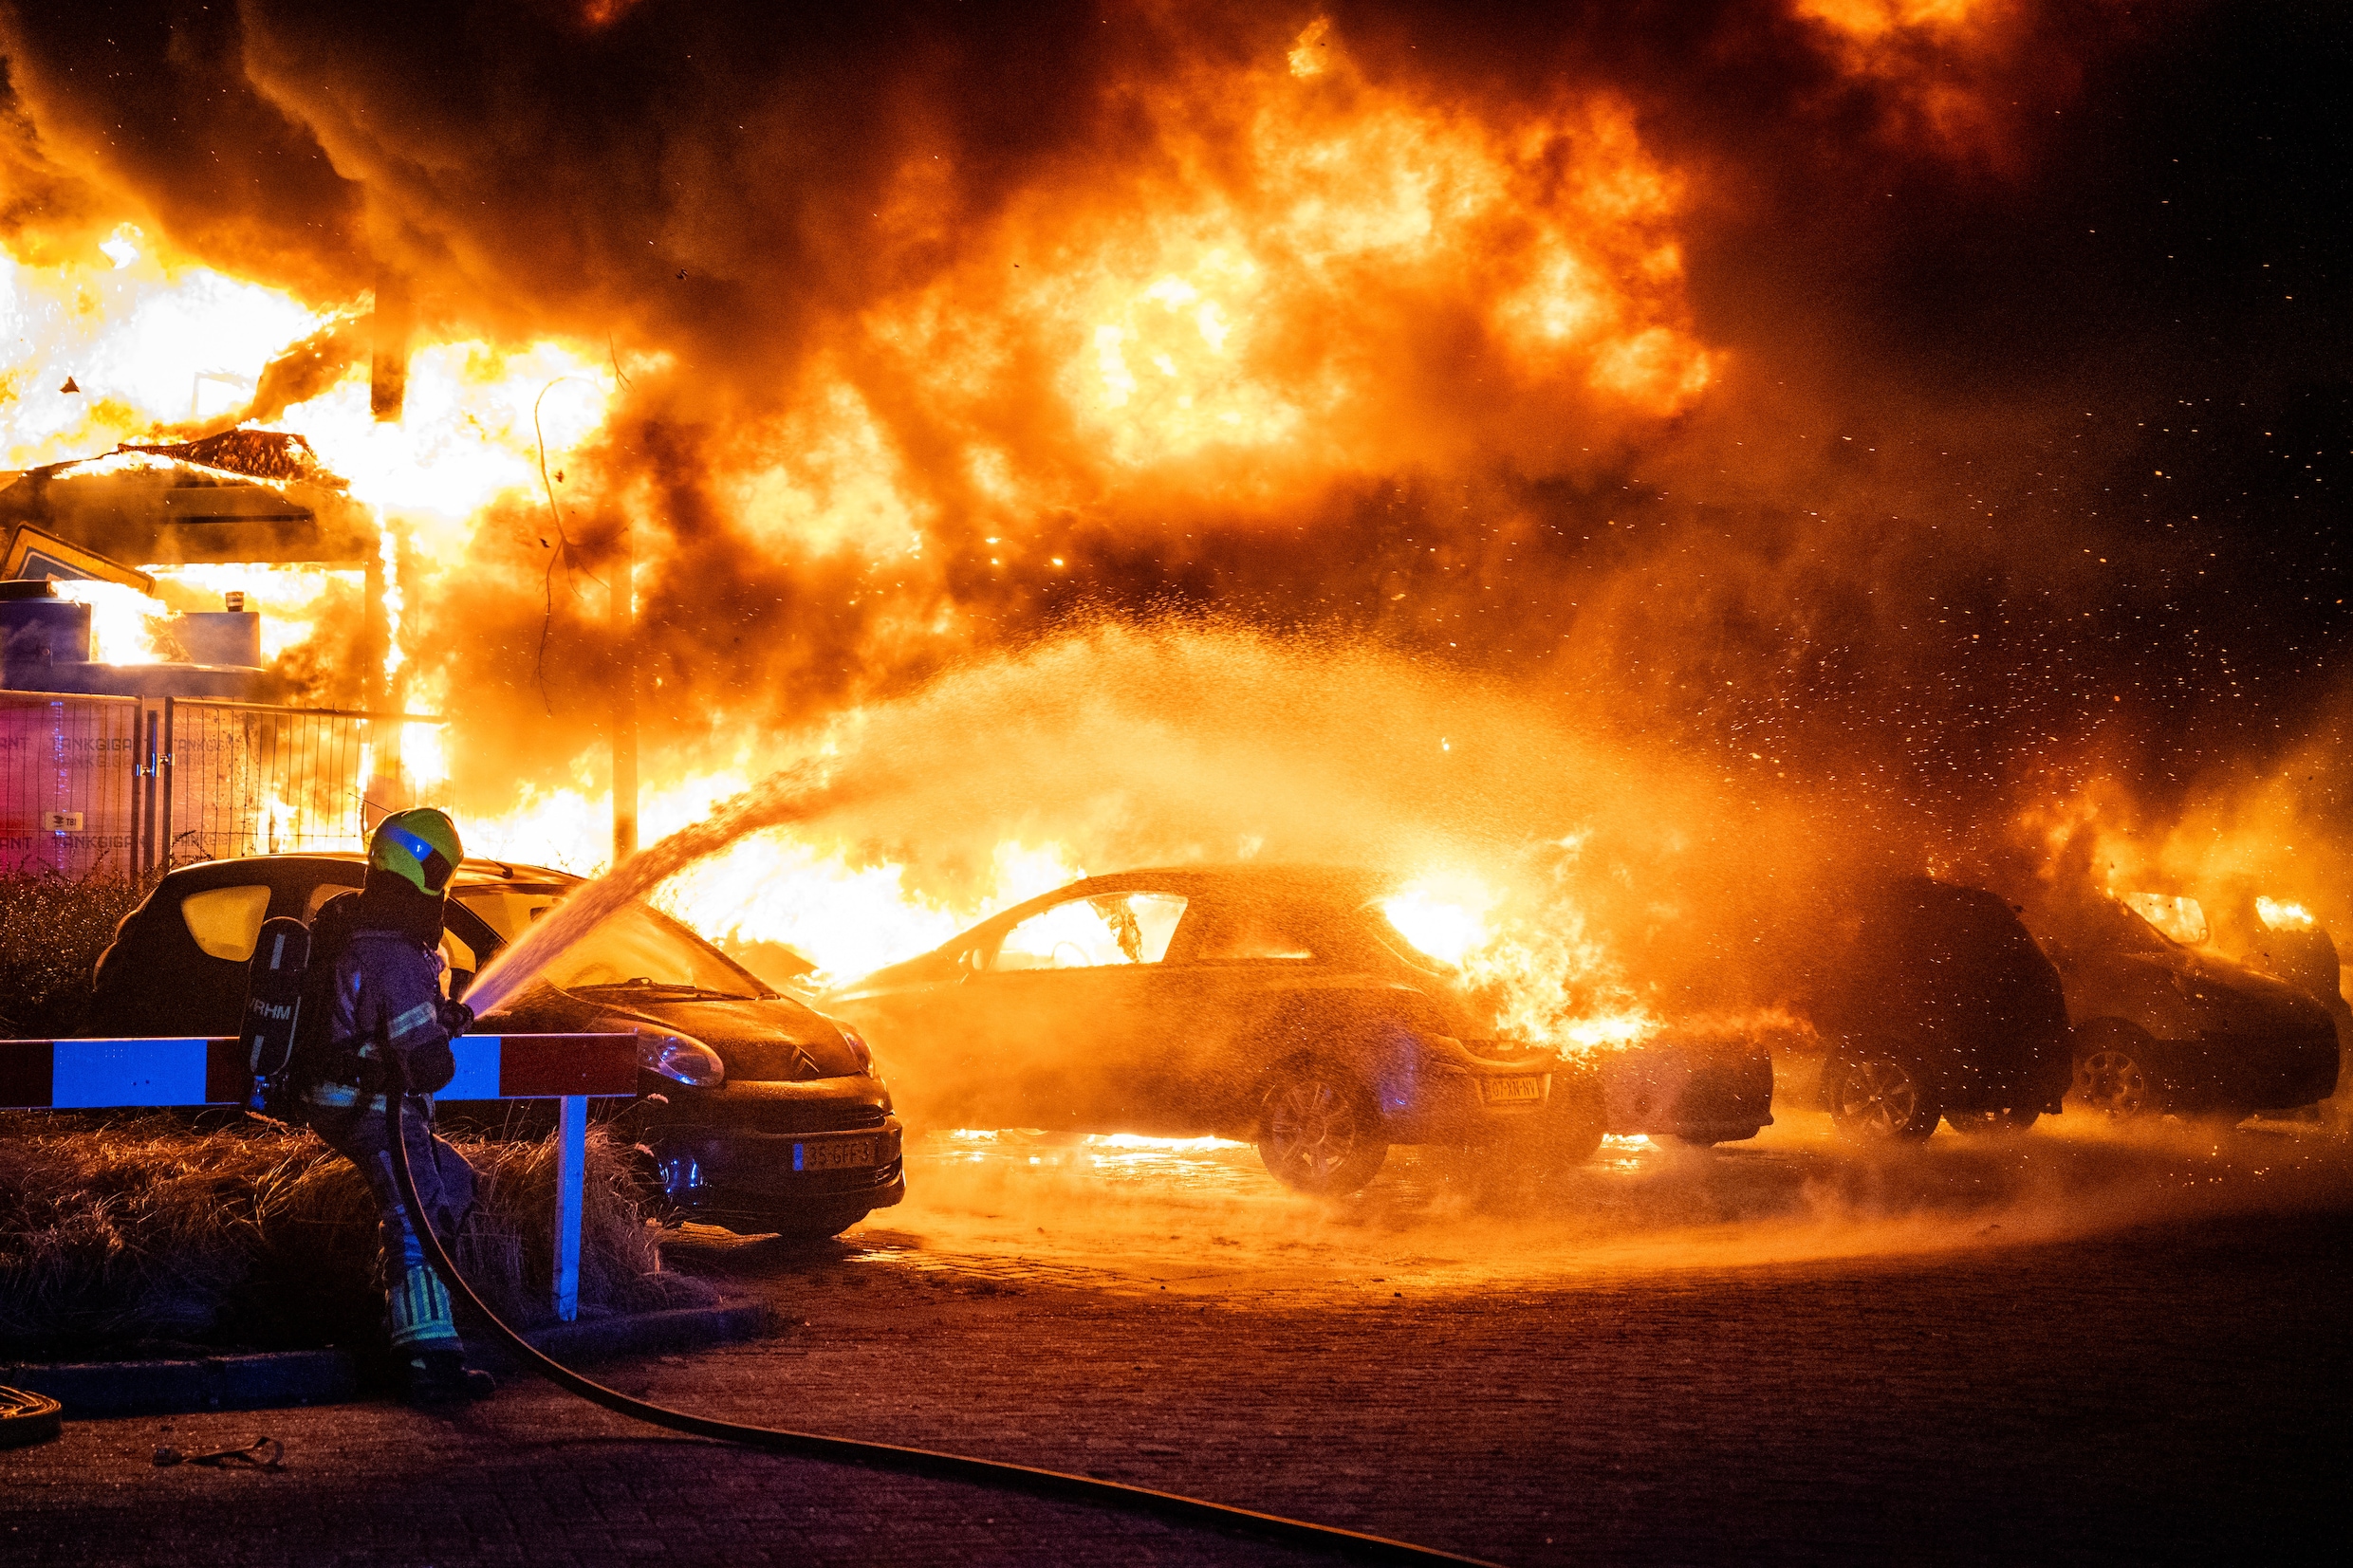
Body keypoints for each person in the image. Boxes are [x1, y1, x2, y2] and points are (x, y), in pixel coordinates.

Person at [304, 807, 491, 1407]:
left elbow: (387, 1022)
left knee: (456, 1181)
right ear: (426, 869)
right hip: (367, 1104)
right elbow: (428, 1064)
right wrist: (441, 1036)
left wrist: (446, 1017)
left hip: (354, 1097)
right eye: (444, 873)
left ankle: (400, 1311)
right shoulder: (395, 951)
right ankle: (428, 1361)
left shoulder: (367, 934)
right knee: (418, 1214)